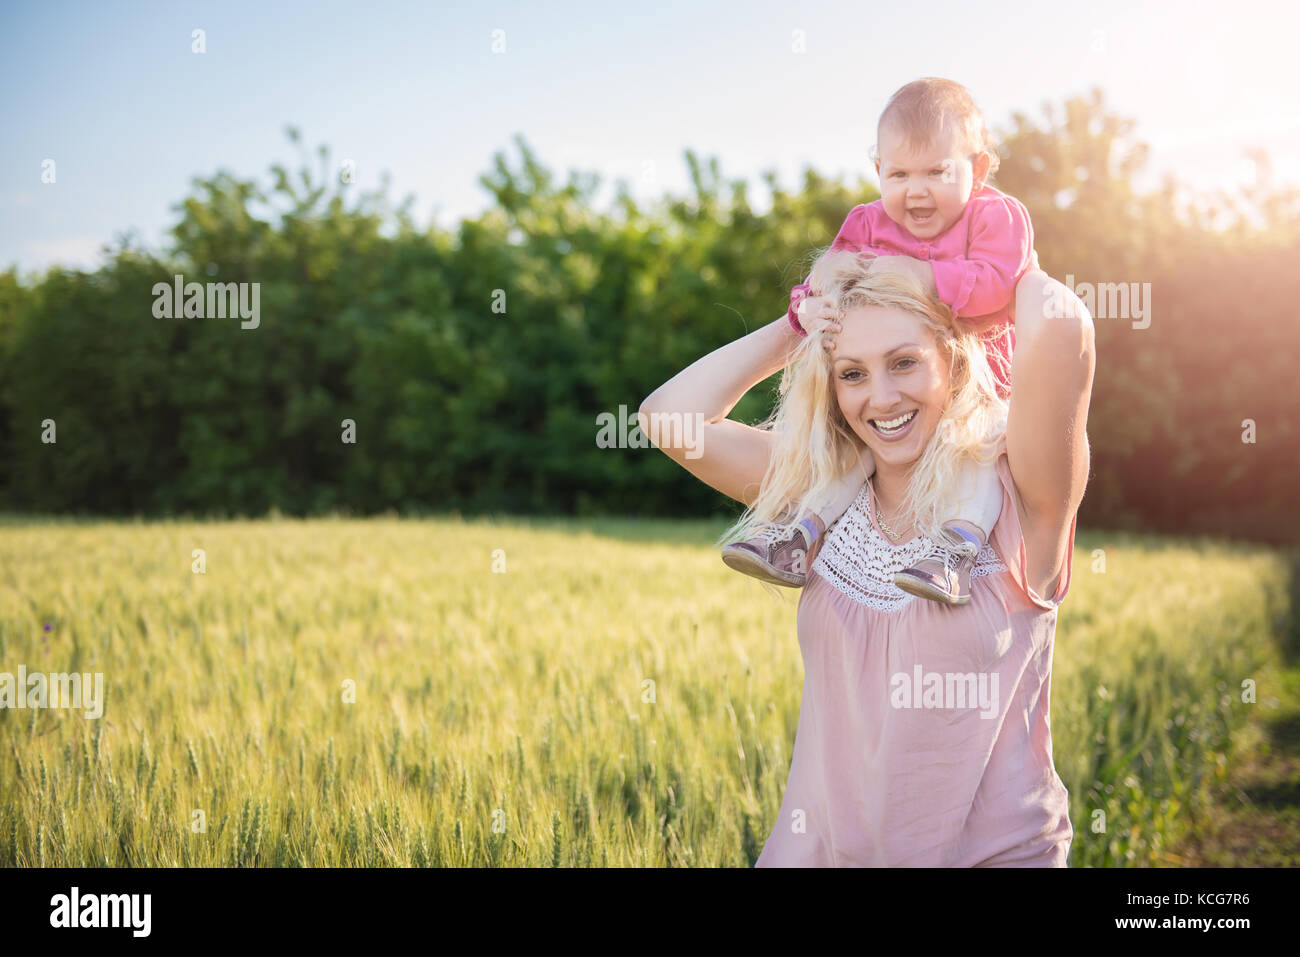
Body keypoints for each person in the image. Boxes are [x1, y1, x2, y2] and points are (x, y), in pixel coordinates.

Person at [637, 248, 1095, 866]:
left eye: (904, 363)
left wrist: (1000, 263)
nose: (880, 398)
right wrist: (796, 326)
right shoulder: (818, 496)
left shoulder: (1023, 498)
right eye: (852, 373)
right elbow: (666, 420)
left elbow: (1063, 329)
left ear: (953, 364)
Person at [721, 77, 1035, 607]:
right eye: (899, 174)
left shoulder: (996, 217)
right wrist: (807, 306)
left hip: (982, 388)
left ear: (977, 170)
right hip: (897, 386)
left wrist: (920, 275)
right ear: (878, 173)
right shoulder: (867, 223)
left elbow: (998, 282)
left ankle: (954, 549)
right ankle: (798, 535)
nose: (916, 190)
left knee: (977, 452)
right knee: (851, 452)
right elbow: (829, 278)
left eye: (938, 172)